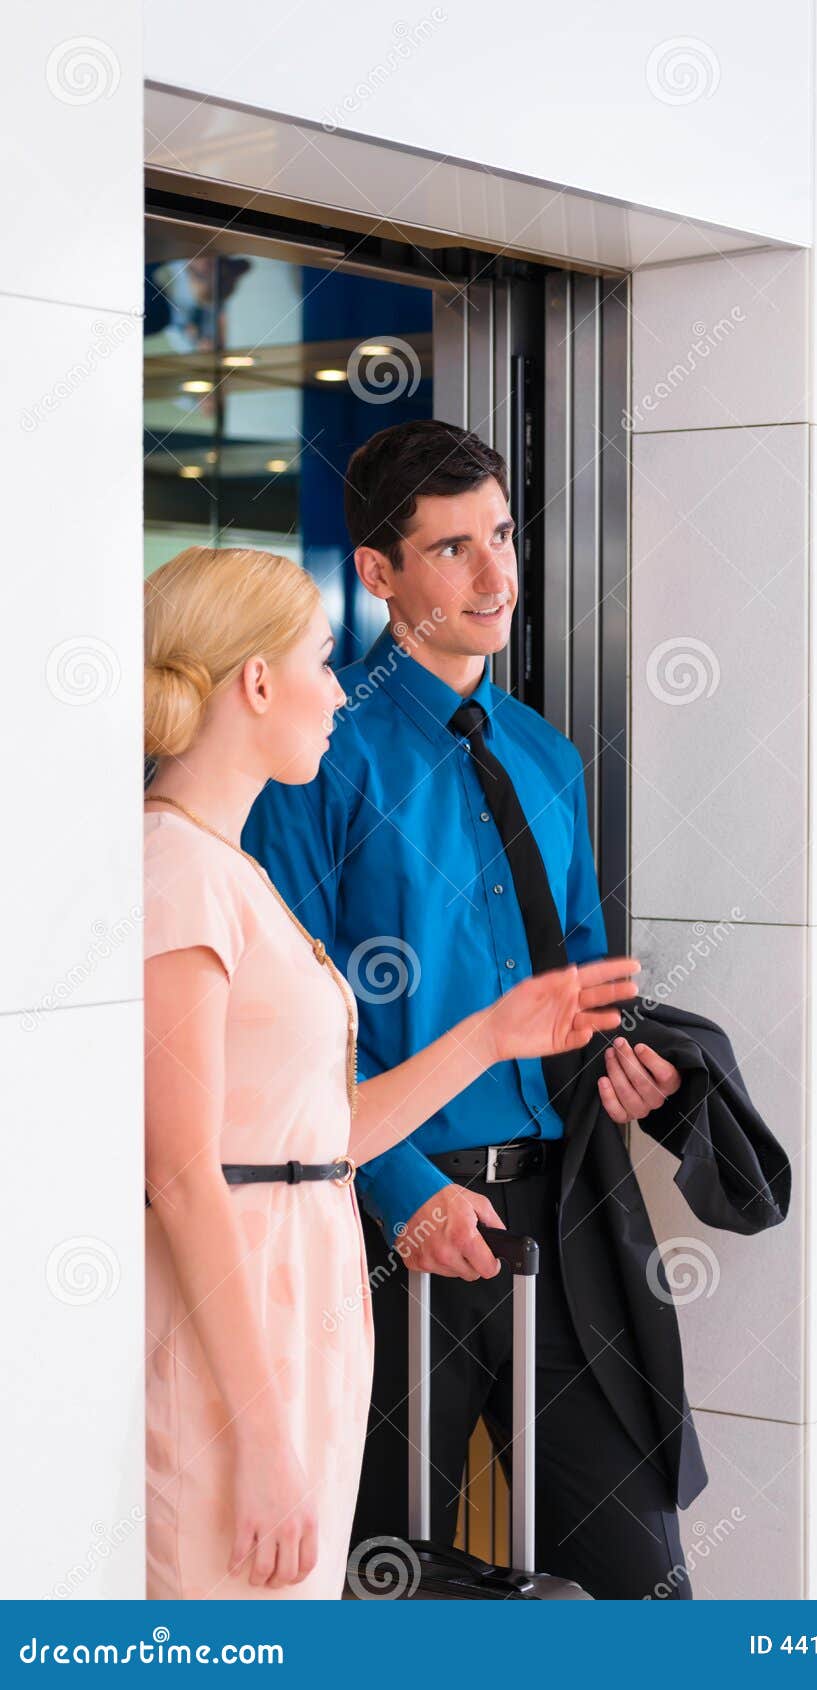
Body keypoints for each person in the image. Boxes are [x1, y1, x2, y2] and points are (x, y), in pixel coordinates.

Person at [243, 422, 694, 1599]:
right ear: (380, 574)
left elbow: (580, 974)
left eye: (501, 536)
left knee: (645, 1583)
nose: (496, 577)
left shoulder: (547, 757)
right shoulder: (318, 756)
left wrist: (628, 1067)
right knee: (389, 1586)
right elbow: (281, 1026)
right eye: (453, 549)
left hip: (563, 1216)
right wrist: (399, 1194)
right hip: (385, 1229)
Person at [142, 543, 640, 1599]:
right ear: (256, 683)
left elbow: (319, 1138)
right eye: (322, 662)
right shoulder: (179, 876)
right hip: (240, 1363)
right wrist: (265, 1437)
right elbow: (182, 1178)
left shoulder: (224, 871)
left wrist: (495, 1034)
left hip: (298, 1329)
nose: (339, 690)